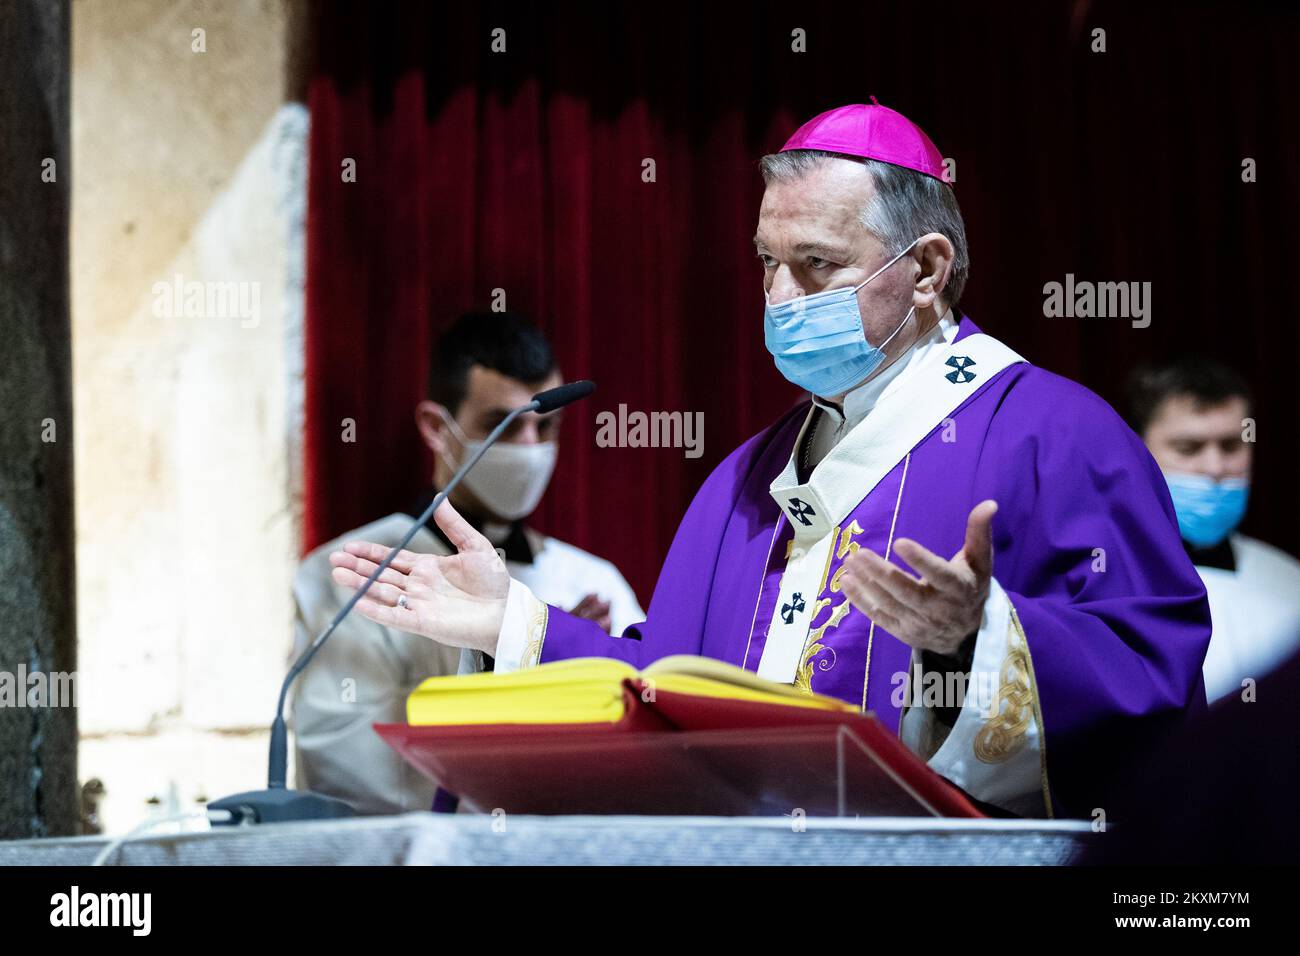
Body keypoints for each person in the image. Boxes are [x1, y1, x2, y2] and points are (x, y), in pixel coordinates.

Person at [329, 103, 1211, 818]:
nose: (780, 298)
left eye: (817, 265)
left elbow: (1152, 683)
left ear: (929, 268)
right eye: (767, 264)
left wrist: (972, 645)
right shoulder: (747, 479)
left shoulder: (1057, 436)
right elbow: (671, 684)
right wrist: (510, 623)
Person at [291, 311, 643, 814]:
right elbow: (348, 774)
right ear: (438, 428)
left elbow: (647, 761)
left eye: (547, 428)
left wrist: (572, 651)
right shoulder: (351, 571)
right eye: (503, 427)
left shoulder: (593, 579)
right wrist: (534, 675)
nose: (531, 450)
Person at [1127, 357, 1300, 703]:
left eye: (1231, 446)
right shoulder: (1108, 579)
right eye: (1188, 449)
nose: (1215, 468)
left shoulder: (1288, 577)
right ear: (1138, 452)